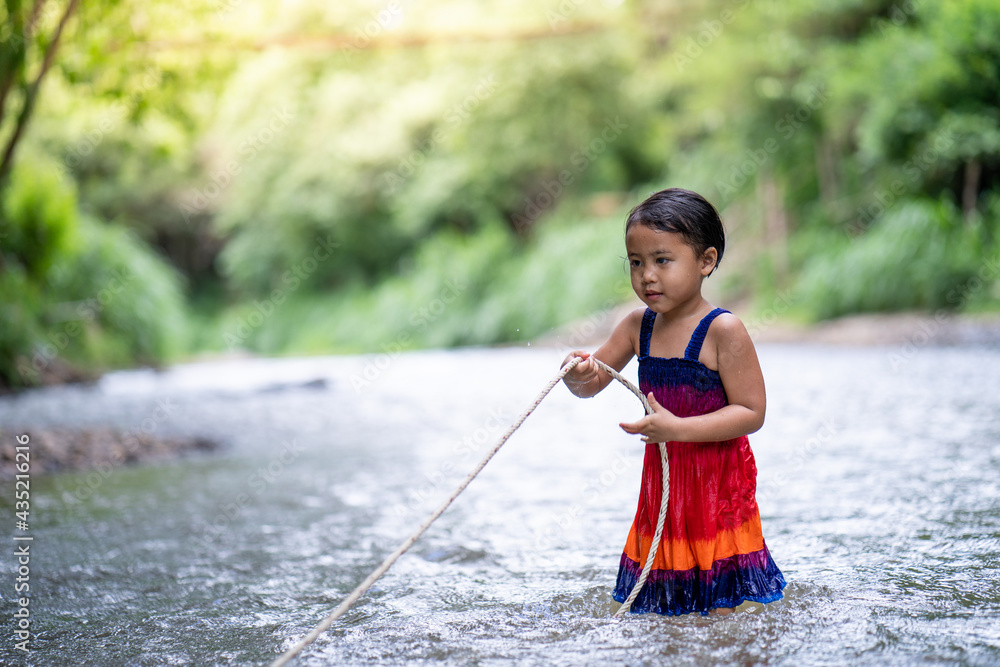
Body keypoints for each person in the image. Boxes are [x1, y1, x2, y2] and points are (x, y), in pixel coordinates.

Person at [562, 187, 786, 615]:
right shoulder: (636, 327)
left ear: (706, 261)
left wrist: (677, 429)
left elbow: (751, 412)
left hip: (715, 485)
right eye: (636, 262)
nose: (647, 275)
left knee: (726, 608)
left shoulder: (723, 330)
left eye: (662, 261)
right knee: (663, 610)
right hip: (664, 485)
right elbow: (591, 384)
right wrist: (577, 375)